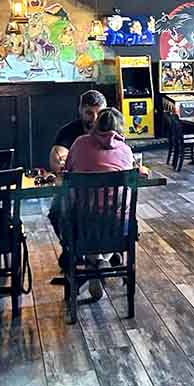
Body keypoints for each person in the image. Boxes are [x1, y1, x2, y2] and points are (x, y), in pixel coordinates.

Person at [64, 107, 142, 301]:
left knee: (77, 217)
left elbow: (67, 172)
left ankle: (95, 264)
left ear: (97, 124)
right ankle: (103, 260)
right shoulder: (125, 150)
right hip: (118, 226)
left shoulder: (79, 144)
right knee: (115, 214)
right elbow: (134, 177)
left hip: (85, 225)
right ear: (120, 128)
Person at [49, 89, 107, 173]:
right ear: (80, 110)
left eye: (99, 113)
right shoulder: (68, 131)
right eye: (89, 113)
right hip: (78, 181)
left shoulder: (111, 133)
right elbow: (57, 161)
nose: (94, 119)